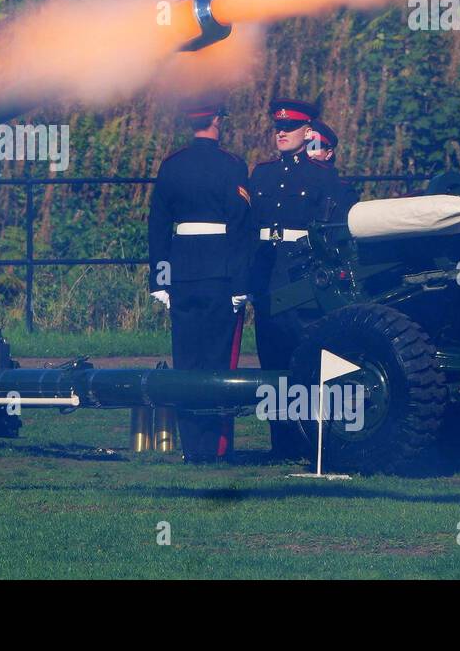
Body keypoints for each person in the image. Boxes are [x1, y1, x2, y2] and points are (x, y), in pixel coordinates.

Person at [147, 100, 256, 463]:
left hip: (181, 275)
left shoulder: (171, 165)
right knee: (217, 361)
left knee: (187, 359)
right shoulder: (232, 165)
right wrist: (241, 285)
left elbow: (158, 227)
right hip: (220, 276)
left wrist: (161, 281)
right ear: (216, 122)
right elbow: (240, 229)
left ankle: (193, 447)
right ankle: (215, 445)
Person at [249, 98, 355, 457]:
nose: (281, 133)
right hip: (266, 272)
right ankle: (282, 443)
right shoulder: (262, 174)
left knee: (307, 357)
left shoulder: (323, 177)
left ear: (307, 132)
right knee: (272, 360)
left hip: (303, 275)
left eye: (289, 128)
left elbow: (335, 231)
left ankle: (314, 442)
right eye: (277, 127)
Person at [303, 119, 358, 212]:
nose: (307, 153)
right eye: (303, 147)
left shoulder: (341, 190)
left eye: (313, 147)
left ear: (328, 154)